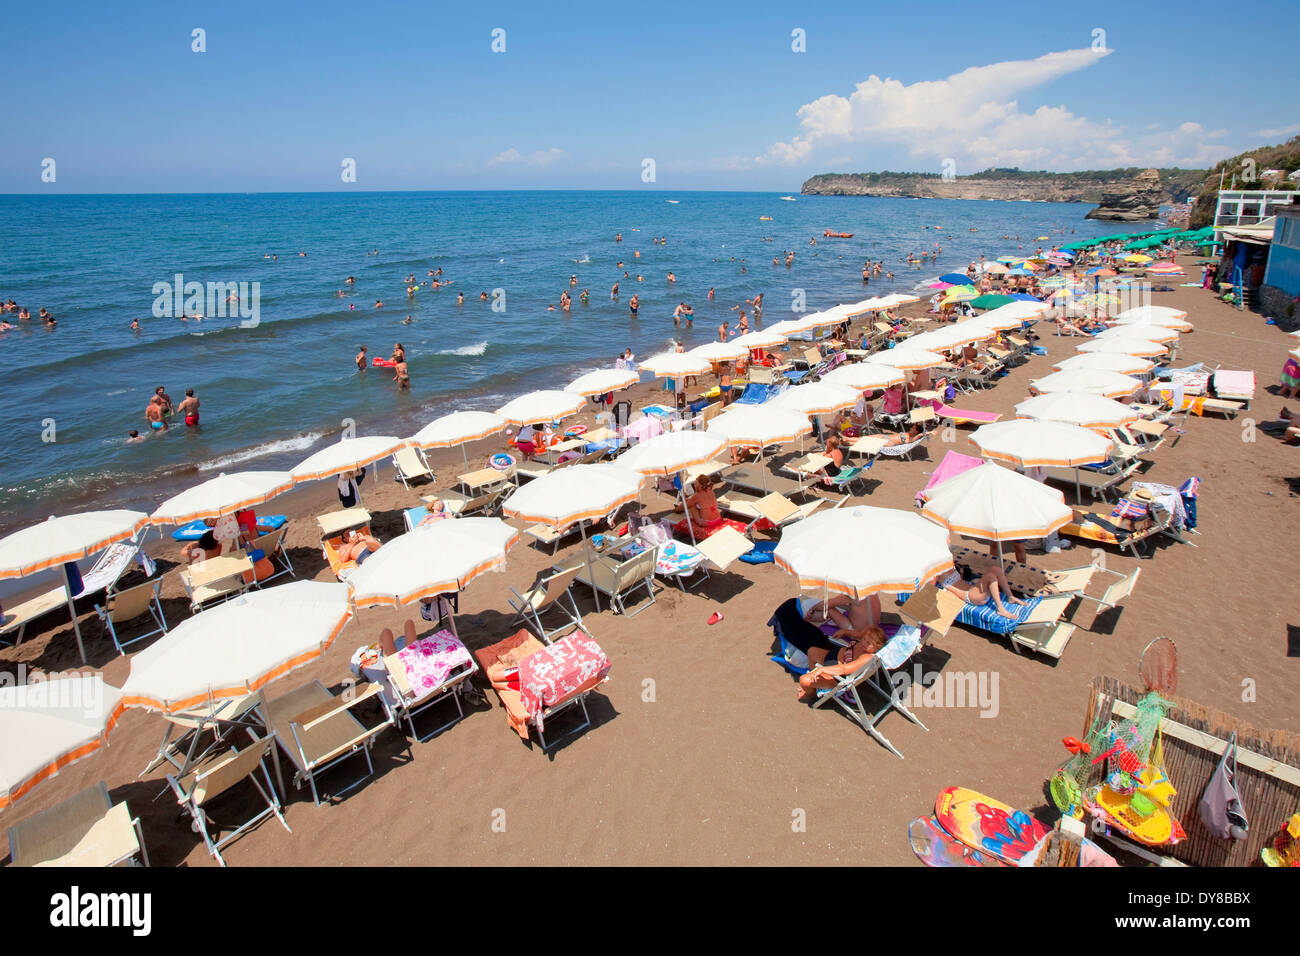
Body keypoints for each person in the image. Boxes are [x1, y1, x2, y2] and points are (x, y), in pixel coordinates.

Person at [941, 566, 1024, 619]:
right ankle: (1000, 609)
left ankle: (1010, 597)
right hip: (970, 596)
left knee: (995, 569)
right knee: (990, 577)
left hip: (973, 590)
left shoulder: (947, 563)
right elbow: (950, 588)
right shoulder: (936, 573)